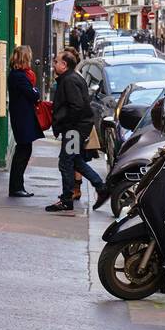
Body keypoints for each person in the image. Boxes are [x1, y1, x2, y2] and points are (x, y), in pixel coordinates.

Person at [46, 49, 105, 214]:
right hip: (77, 128)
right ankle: (101, 187)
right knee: (75, 161)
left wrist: (67, 126)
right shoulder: (72, 77)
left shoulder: (69, 80)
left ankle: (66, 200)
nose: (54, 64)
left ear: (64, 65)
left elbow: (76, 106)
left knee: (65, 162)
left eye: (56, 61)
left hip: (74, 129)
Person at [6, 45, 43, 198]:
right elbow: (34, 94)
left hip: (21, 116)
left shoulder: (17, 75)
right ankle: (16, 187)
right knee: (23, 151)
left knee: (23, 150)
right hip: (22, 118)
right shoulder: (19, 76)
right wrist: (36, 92)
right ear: (24, 59)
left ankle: (18, 186)